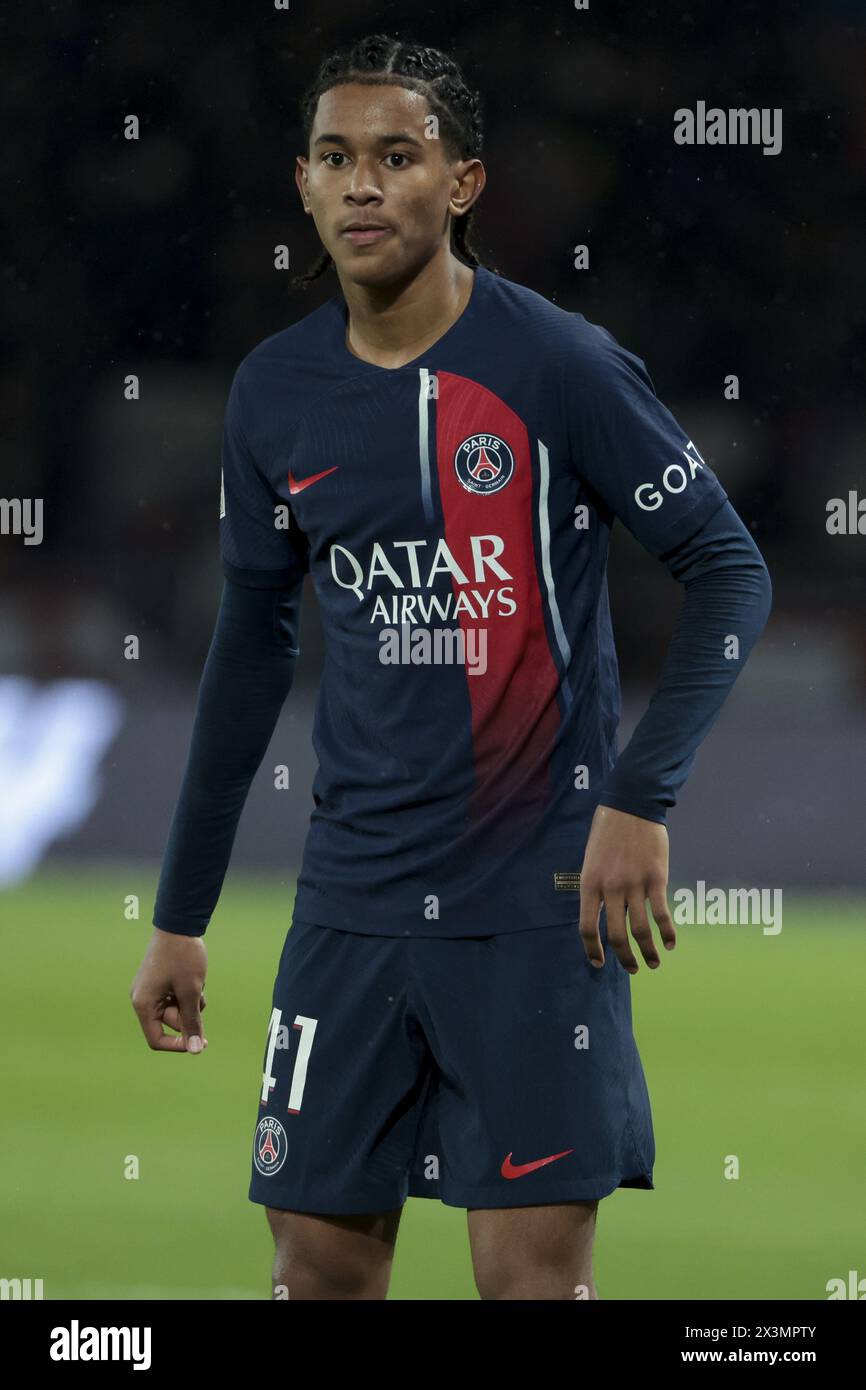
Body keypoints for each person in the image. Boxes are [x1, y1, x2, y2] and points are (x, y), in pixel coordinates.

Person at [130, 32, 772, 1300]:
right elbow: (249, 651)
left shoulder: (559, 366)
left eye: (395, 155)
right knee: (313, 1277)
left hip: (532, 910)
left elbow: (727, 569)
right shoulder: (274, 395)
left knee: (527, 1286)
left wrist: (639, 798)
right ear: (303, 187)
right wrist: (180, 916)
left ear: (462, 185)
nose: (361, 184)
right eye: (334, 158)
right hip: (348, 907)